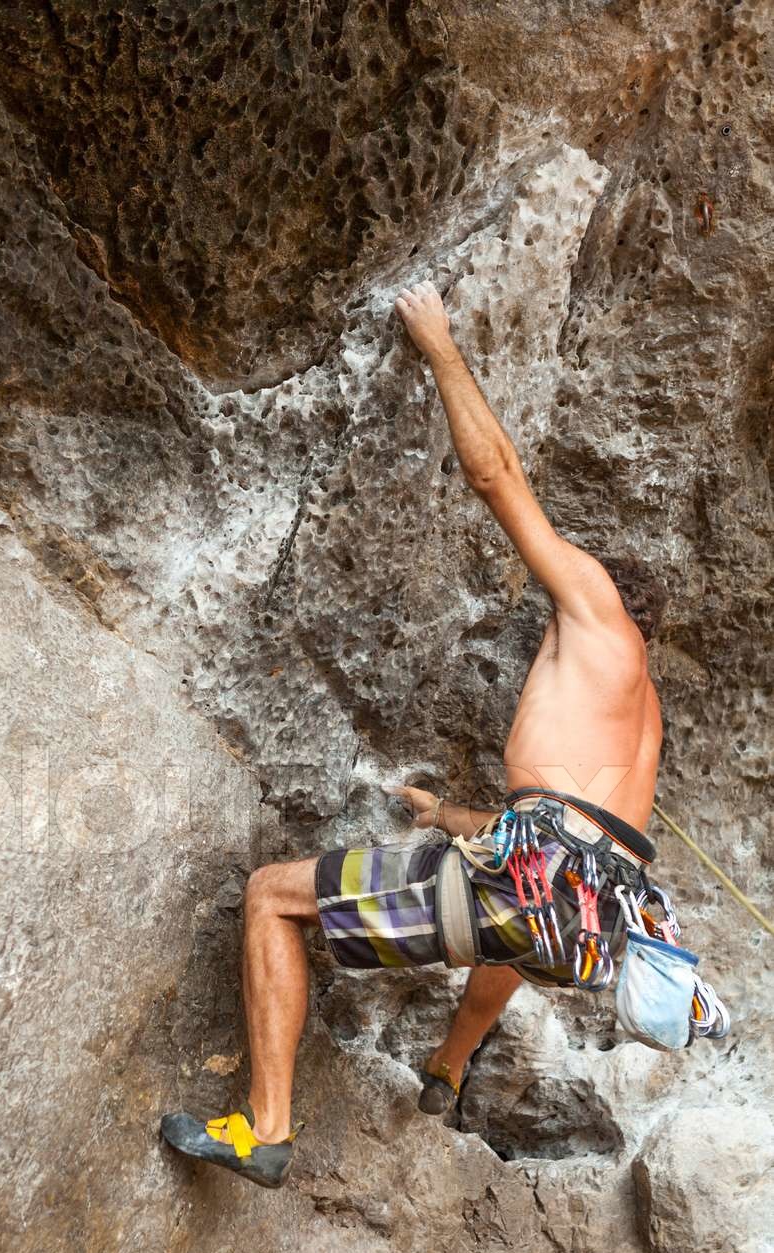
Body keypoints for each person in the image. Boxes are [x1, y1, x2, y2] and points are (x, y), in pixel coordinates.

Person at [161, 281, 663, 1188]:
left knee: (272, 895)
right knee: (501, 915)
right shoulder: (640, 716)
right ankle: (449, 1059)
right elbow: (565, 830)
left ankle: (266, 1130)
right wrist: (446, 815)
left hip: (534, 887)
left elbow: (495, 475)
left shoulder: (595, 608)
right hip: (582, 929)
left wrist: (438, 344)